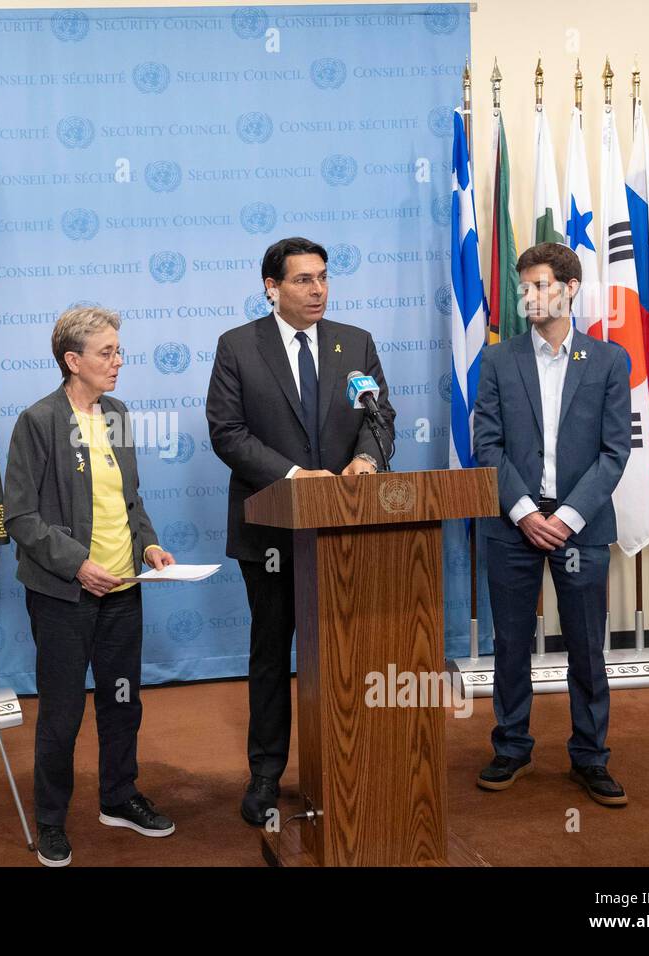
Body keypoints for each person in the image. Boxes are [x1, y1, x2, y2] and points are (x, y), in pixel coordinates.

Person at [205, 236, 396, 827]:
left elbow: (379, 416)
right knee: (271, 653)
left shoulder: (354, 343)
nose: (318, 290)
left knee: (341, 652)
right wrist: (294, 476)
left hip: (344, 529)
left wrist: (366, 461)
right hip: (270, 531)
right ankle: (266, 775)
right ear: (272, 288)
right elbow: (227, 432)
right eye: (303, 280)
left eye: (322, 278)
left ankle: (344, 767)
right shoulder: (238, 347)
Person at [4, 305, 177, 868]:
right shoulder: (37, 421)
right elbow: (20, 518)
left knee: (122, 703)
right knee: (61, 712)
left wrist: (147, 544)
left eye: (119, 351)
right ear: (72, 361)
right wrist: (78, 565)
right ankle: (51, 821)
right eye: (107, 353)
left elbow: (130, 501)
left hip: (124, 589)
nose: (119, 361)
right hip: (64, 595)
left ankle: (119, 797)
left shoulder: (119, 414)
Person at [473, 242, 631, 807]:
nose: (530, 296)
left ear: (569, 288)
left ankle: (590, 758)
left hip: (580, 526)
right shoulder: (496, 361)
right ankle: (511, 746)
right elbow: (485, 446)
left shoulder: (610, 362)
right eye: (524, 287)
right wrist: (525, 513)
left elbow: (614, 454)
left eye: (540, 285)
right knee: (511, 642)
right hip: (513, 523)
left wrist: (563, 518)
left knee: (587, 647)